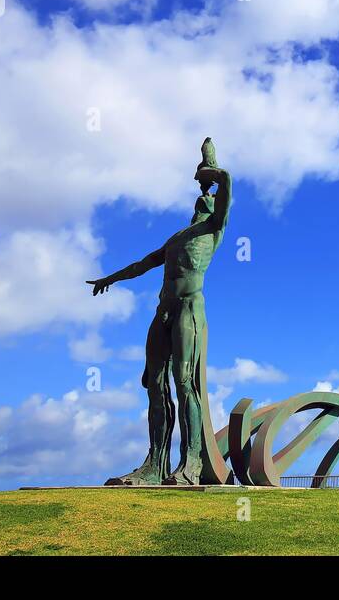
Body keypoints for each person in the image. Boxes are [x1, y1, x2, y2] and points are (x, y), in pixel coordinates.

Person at [86, 139, 231, 485]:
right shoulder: (176, 238)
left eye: (209, 197)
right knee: (154, 384)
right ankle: (155, 465)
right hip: (163, 312)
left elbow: (225, 185)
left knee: (184, 383)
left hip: (188, 310)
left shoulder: (214, 229)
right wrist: (110, 278)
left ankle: (191, 464)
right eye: (202, 194)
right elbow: (141, 265)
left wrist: (213, 171)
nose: (204, 198)